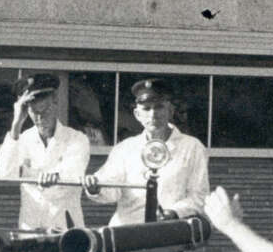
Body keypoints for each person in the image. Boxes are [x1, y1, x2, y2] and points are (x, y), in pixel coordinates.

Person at [82, 78, 208, 226]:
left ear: (170, 111)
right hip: (127, 230)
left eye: (159, 107)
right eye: (146, 109)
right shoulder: (124, 149)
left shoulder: (192, 147)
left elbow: (199, 196)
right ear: (137, 114)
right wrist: (96, 187)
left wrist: (174, 213)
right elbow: (112, 189)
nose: (153, 114)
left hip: (170, 230)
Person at [0, 73, 90, 231]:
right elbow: (3, 172)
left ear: (55, 101)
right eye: (34, 112)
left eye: (45, 111)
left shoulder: (77, 139)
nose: (40, 118)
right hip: (30, 229)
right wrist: (16, 125)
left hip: (66, 229)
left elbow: (73, 173)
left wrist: (55, 177)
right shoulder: (21, 140)